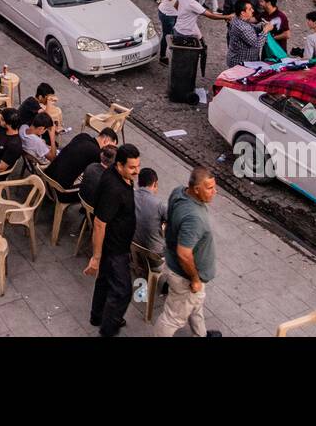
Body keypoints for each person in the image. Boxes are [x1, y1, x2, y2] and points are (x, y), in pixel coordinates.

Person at [154, 167, 220, 338]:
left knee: (196, 304)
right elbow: (184, 254)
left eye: (214, 186)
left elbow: (170, 220)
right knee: (173, 318)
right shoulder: (194, 218)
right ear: (197, 189)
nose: (215, 191)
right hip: (185, 277)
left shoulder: (179, 192)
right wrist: (195, 279)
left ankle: (201, 334)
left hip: (174, 265)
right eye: (210, 188)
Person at [86, 143, 141, 337]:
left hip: (117, 243)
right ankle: (108, 329)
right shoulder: (113, 188)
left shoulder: (119, 176)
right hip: (115, 247)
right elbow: (100, 223)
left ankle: (97, 315)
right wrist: (96, 257)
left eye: (138, 166)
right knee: (122, 291)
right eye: (132, 167)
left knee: (104, 281)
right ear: (119, 165)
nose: (136, 171)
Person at [133, 167, 166, 253]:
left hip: (129, 245)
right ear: (155, 184)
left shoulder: (129, 194)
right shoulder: (159, 205)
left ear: (138, 183)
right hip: (152, 256)